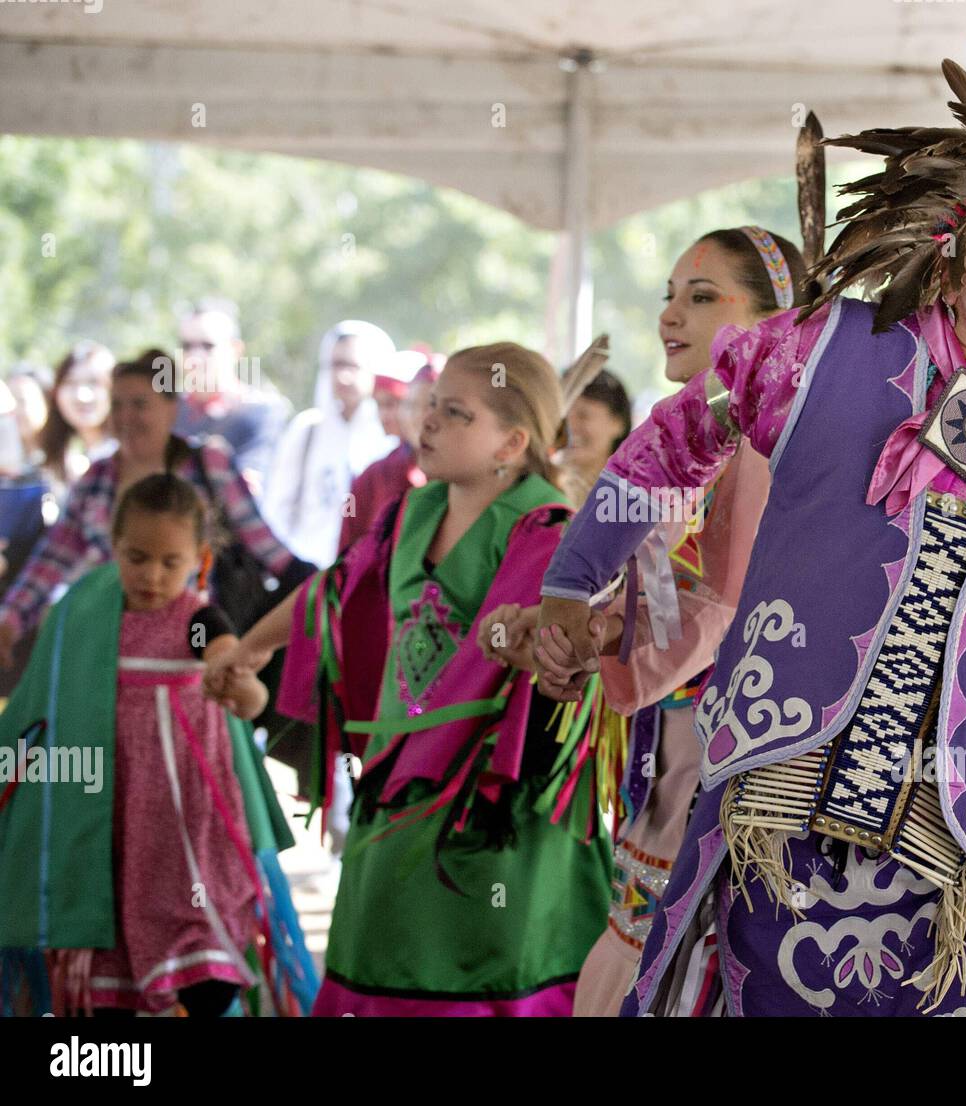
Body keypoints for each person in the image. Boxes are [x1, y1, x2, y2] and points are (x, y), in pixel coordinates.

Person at [532, 10, 966, 1017]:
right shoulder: (829, 357)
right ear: (950, 267)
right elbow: (674, 441)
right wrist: (573, 581)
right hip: (773, 843)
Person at [204, 342, 612, 1016]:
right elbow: (335, 592)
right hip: (397, 790)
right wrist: (247, 647)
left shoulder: (548, 530)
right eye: (432, 405)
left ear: (512, 440)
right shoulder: (413, 513)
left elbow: (563, 656)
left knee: (480, 973)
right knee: (378, 960)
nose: (428, 422)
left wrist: (513, 639)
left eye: (456, 413)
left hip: (493, 811)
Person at [486, 228, 806, 1016]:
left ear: (774, 319)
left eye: (701, 298)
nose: (671, 315)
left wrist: (595, 636)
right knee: (651, 953)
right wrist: (570, 631)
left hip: (744, 759)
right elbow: (667, 591)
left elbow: (727, 604)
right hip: (675, 754)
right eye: (668, 295)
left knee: (698, 964)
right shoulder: (683, 435)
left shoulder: (763, 438)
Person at [0, 474, 314, 1017]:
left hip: (185, 827)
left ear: (200, 558)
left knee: (201, 963)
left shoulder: (195, 620)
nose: (151, 575)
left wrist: (240, 685)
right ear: (113, 548)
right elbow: (43, 708)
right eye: (137, 557)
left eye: (171, 562)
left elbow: (231, 667)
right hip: (107, 823)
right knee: (111, 963)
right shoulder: (90, 620)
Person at [0, 349, 298, 671]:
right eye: (116, 405)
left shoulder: (208, 464)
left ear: (172, 408)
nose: (125, 417)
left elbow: (265, 545)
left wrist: (317, 584)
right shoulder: (97, 476)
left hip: (195, 635)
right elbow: (52, 559)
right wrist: (10, 622)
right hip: (103, 639)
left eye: (140, 404)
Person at [261, 320, 396, 569]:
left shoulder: (390, 436)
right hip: (305, 574)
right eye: (335, 365)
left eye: (353, 365)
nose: (343, 375)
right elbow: (277, 509)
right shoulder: (307, 430)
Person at [174, 299, 290, 495]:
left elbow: (248, 489)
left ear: (235, 350)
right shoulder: (168, 410)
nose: (195, 356)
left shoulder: (261, 412)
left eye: (207, 346)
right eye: (187, 346)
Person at [335, 352, 441, 554]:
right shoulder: (373, 477)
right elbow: (346, 559)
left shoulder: (468, 481)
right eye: (412, 406)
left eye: (432, 405)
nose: (422, 417)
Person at [38, 342, 114, 496]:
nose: (82, 396)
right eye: (71, 383)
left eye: (94, 382)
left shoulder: (126, 456)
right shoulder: (58, 459)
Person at [554, 368, 632, 505]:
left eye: (583, 415)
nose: (568, 426)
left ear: (618, 423)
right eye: (562, 415)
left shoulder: (635, 498)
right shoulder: (535, 488)